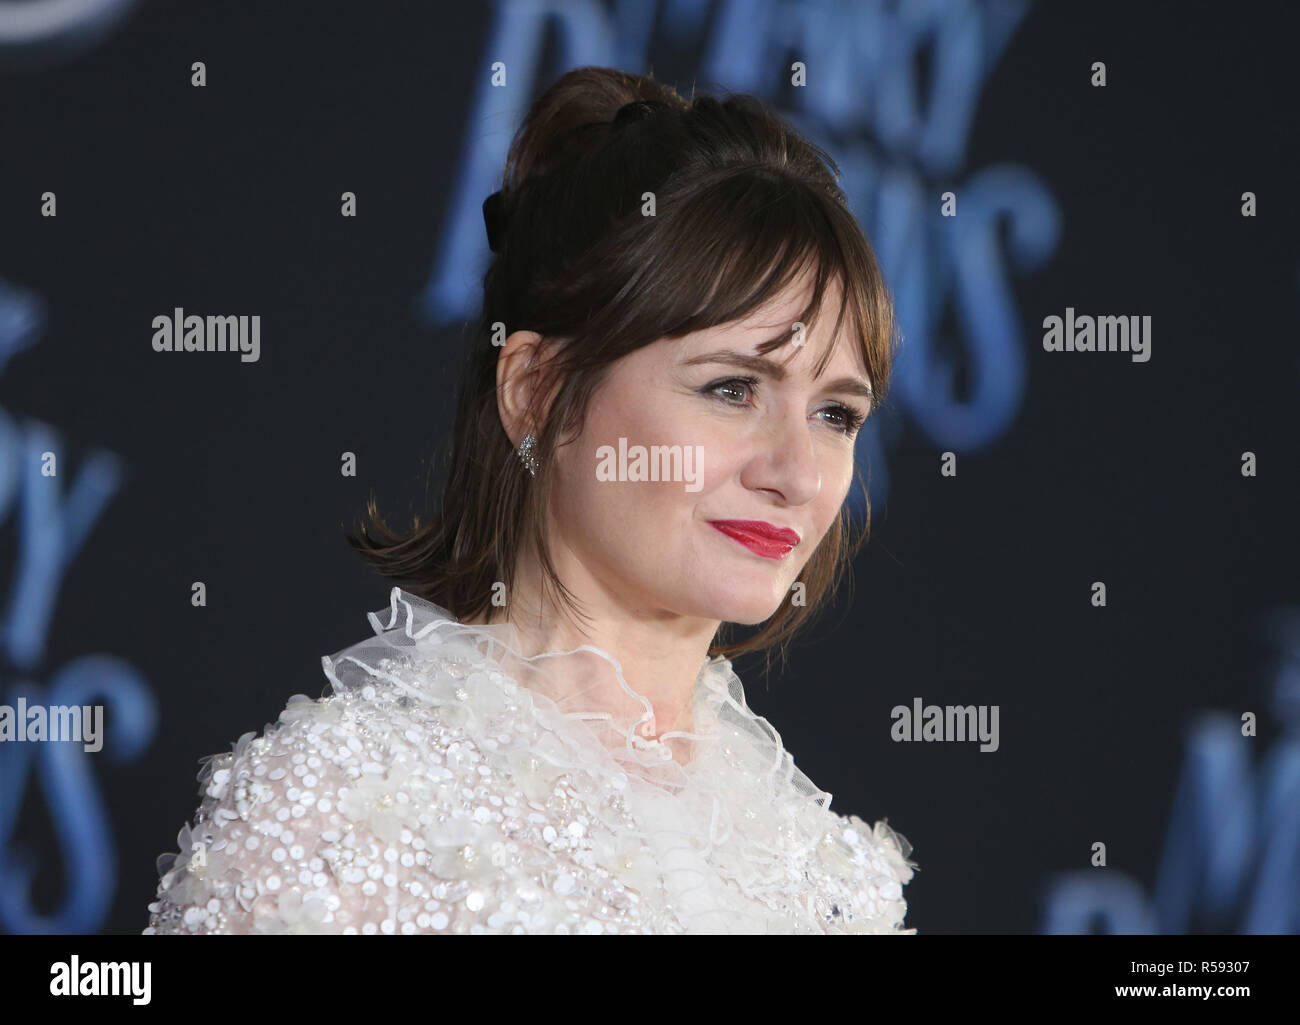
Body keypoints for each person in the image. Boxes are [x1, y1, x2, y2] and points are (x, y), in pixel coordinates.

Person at [144, 65, 917, 936]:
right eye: (733, 388)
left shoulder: (832, 876)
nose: (798, 472)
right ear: (538, 390)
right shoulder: (334, 814)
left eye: (836, 414)